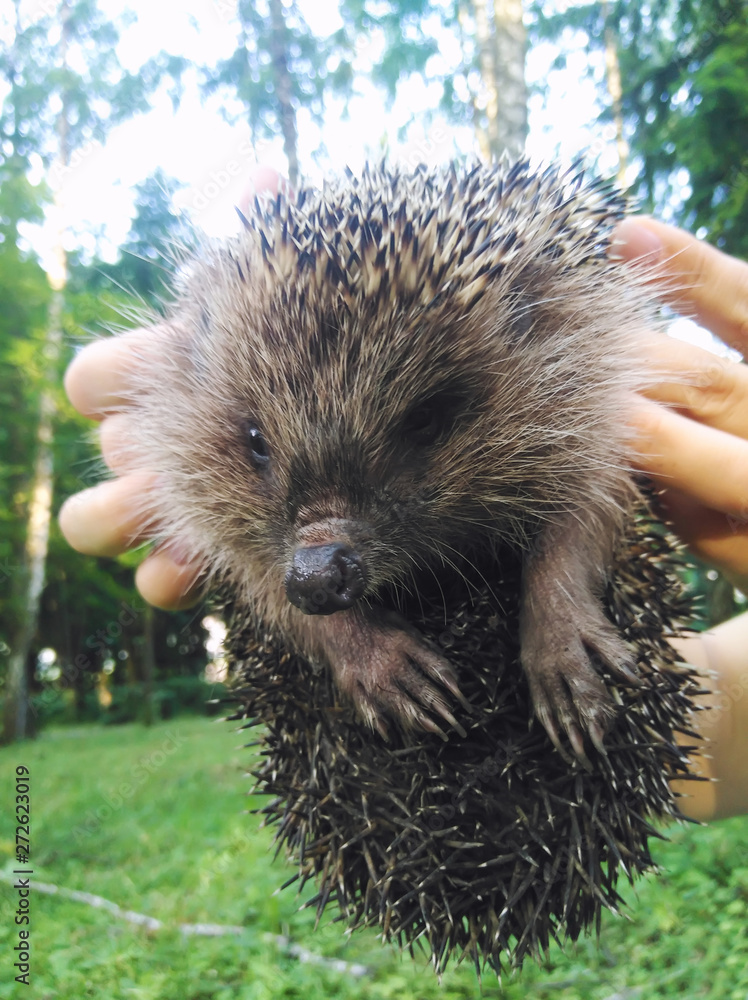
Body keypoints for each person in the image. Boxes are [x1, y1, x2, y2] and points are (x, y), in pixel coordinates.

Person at [59, 185, 748, 822]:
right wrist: (348, 641)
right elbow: (248, 555)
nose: (317, 562)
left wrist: (557, 606)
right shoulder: (208, 409)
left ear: (525, 321)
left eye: (419, 427)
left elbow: (589, 483)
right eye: (259, 446)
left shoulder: (550, 376)